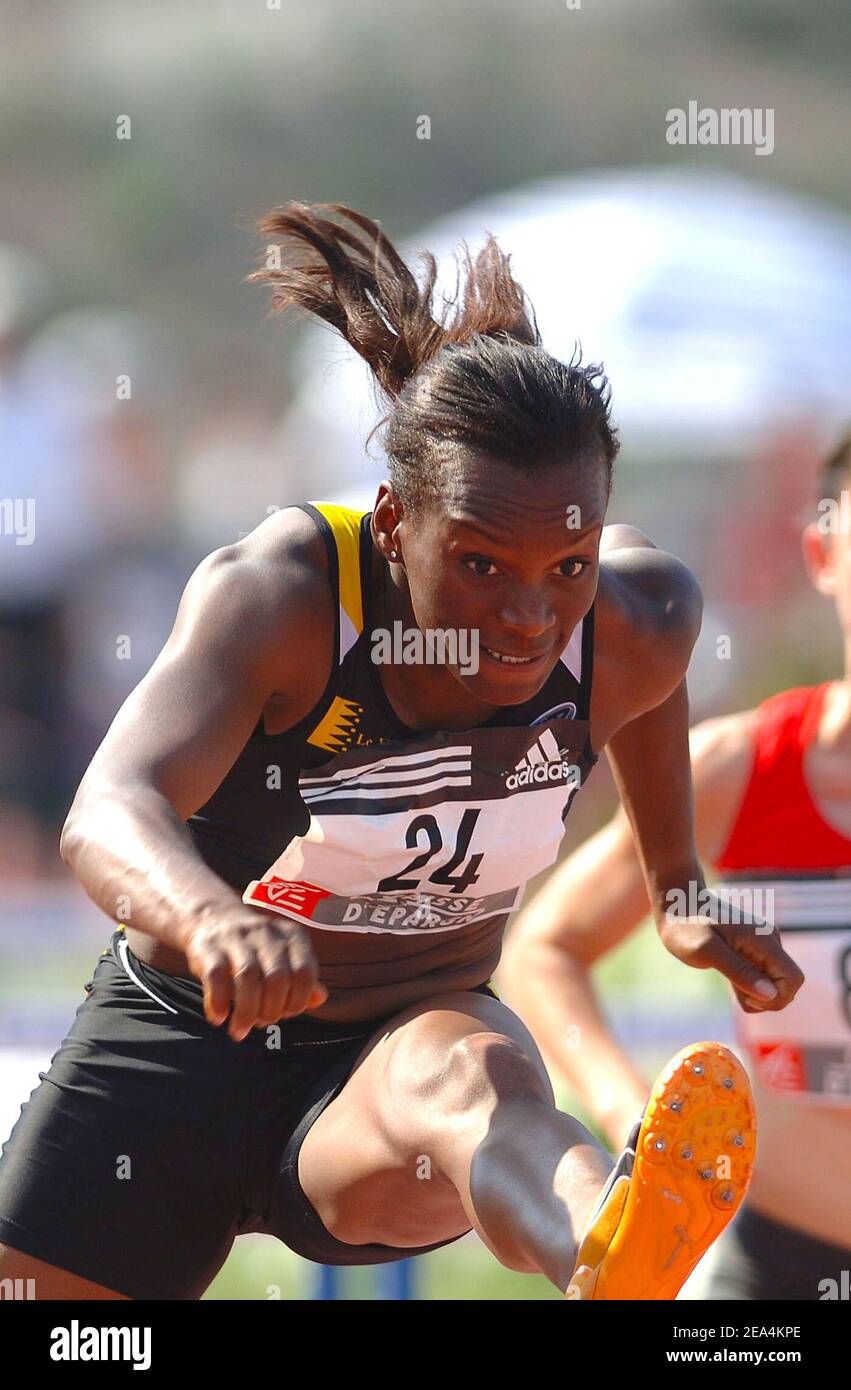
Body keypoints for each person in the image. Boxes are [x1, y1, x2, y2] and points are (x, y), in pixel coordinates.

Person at [0, 203, 802, 1301]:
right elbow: (109, 804)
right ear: (391, 524)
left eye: (567, 565)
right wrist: (208, 914)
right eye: (479, 564)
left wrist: (675, 884)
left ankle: (609, 1245)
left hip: (395, 1055)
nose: (528, 614)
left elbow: (647, 690)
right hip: (179, 1043)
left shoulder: (633, 620)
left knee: (477, 1082)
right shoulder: (285, 595)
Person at [500, 432, 851, 1300]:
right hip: (771, 1267)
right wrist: (632, 1123)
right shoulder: (741, 769)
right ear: (821, 551)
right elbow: (543, 949)